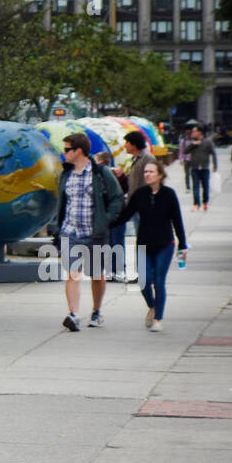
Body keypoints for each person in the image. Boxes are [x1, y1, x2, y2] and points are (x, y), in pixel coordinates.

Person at [55, 132, 124, 331]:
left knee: (96, 275)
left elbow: (118, 198)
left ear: (79, 151)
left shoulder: (100, 172)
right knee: (73, 274)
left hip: (95, 233)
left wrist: (105, 221)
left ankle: (96, 311)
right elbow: (63, 201)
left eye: (67, 149)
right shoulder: (65, 174)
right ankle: (74, 315)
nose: (64, 153)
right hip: (70, 231)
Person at [109, 159, 187, 333]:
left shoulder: (169, 194)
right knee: (144, 283)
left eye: (151, 172)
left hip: (165, 244)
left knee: (159, 282)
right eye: (145, 172)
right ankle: (152, 307)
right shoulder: (140, 194)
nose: (147, 174)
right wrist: (106, 224)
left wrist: (183, 244)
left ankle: (158, 318)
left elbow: (177, 220)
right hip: (144, 244)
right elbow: (125, 216)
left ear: (160, 175)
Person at [95, 151, 129, 282]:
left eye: (96, 159)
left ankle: (113, 270)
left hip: (112, 214)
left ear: (100, 161)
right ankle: (116, 270)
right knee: (115, 242)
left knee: (111, 243)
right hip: (114, 214)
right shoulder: (115, 175)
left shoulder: (107, 175)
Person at [185, 126, 217, 210]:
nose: (192, 133)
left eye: (194, 131)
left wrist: (215, 165)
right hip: (194, 168)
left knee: (205, 187)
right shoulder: (193, 143)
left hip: (204, 168)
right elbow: (185, 151)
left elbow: (213, 153)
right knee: (195, 187)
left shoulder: (207, 142)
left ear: (199, 132)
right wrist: (193, 144)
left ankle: (205, 202)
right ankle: (196, 204)